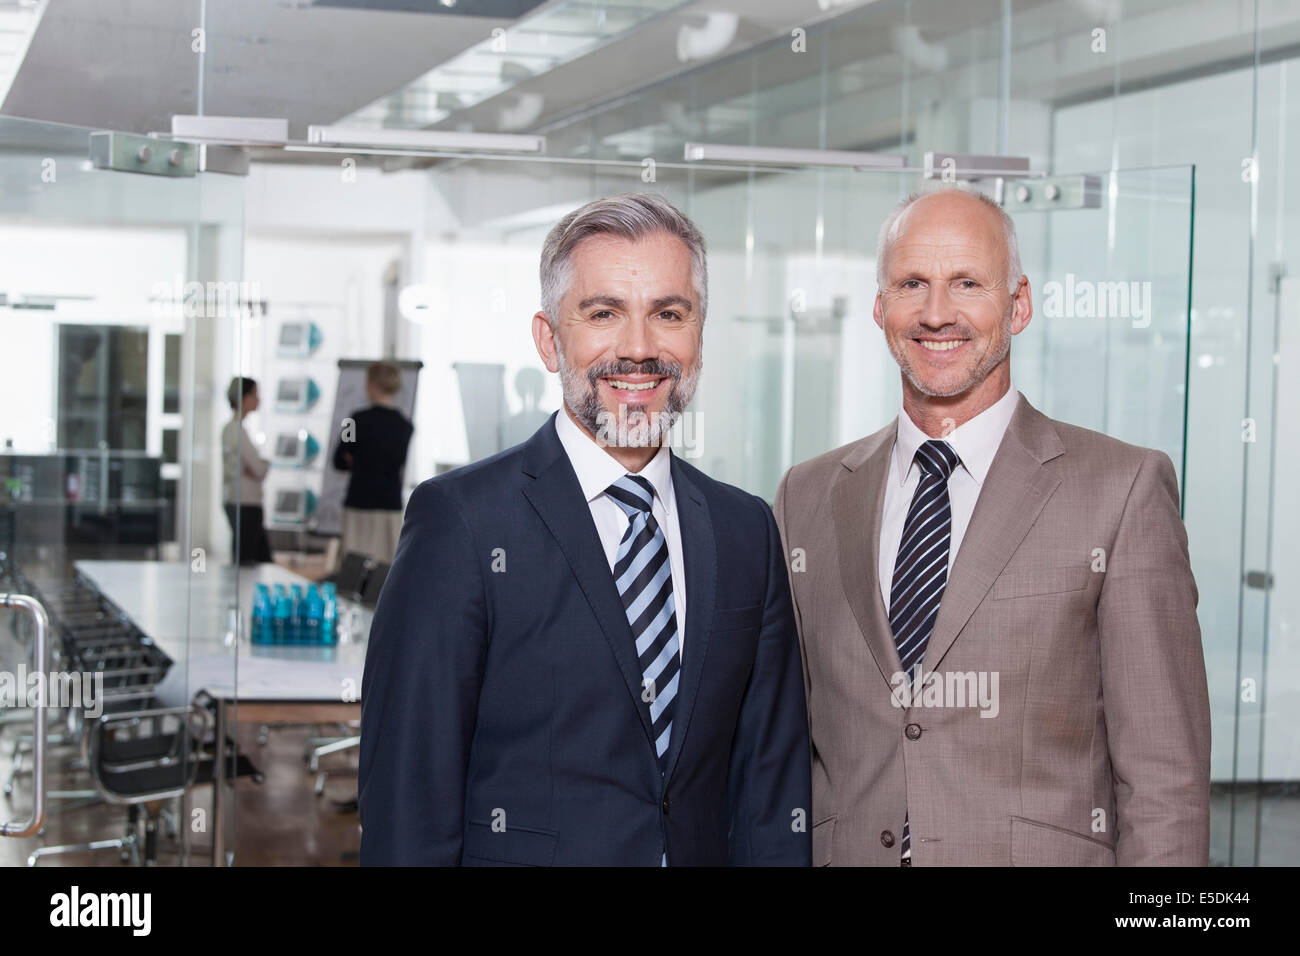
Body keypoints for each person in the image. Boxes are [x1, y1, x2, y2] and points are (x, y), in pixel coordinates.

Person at [359, 193, 810, 866]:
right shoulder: (463, 523)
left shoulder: (745, 529)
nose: (638, 348)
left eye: (668, 314)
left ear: (698, 335)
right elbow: (408, 801)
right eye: (603, 314)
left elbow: (770, 790)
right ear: (549, 339)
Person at [775, 188, 1211, 866]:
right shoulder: (807, 495)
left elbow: (1165, 779)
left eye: (967, 283)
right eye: (911, 284)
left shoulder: (1121, 490)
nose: (937, 312)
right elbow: (782, 748)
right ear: (880, 308)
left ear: (1018, 305)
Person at [331, 361, 414, 566]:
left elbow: (339, 459)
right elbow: (397, 461)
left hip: (359, 501)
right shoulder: (405, 425)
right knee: (385, 567)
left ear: (374, 384)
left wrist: (356, 459)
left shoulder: (355, 420)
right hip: (389, 503)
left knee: (353, 566)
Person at [221, 376, 273, 564]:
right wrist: (264, 464)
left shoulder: (235, 429)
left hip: (243, 500)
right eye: (255, 394)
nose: (258, 399)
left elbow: (254, 468)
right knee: (249, 561)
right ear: (243, 397)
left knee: (257, 558)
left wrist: (256, 466)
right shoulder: (235, 431)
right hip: (244, 502)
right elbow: (259, 469)